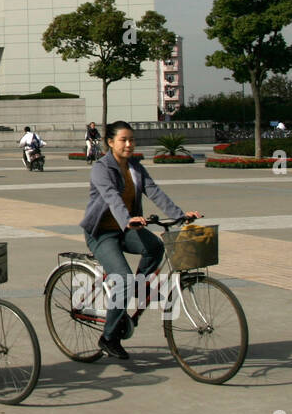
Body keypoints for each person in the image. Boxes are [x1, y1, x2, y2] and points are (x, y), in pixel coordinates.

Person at [80, 120, 203, 360]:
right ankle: (109, 337)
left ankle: (134, 287)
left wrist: (179, 215)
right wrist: (128, 219)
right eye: (123, 140)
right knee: (124, 279)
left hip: (127, 229)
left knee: (156, 247)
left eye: (132, 140)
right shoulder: (101, 168)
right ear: (110, 142)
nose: (129, 144)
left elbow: (154, 191)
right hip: (102, 232)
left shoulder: (135, 166)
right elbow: (111, 197)